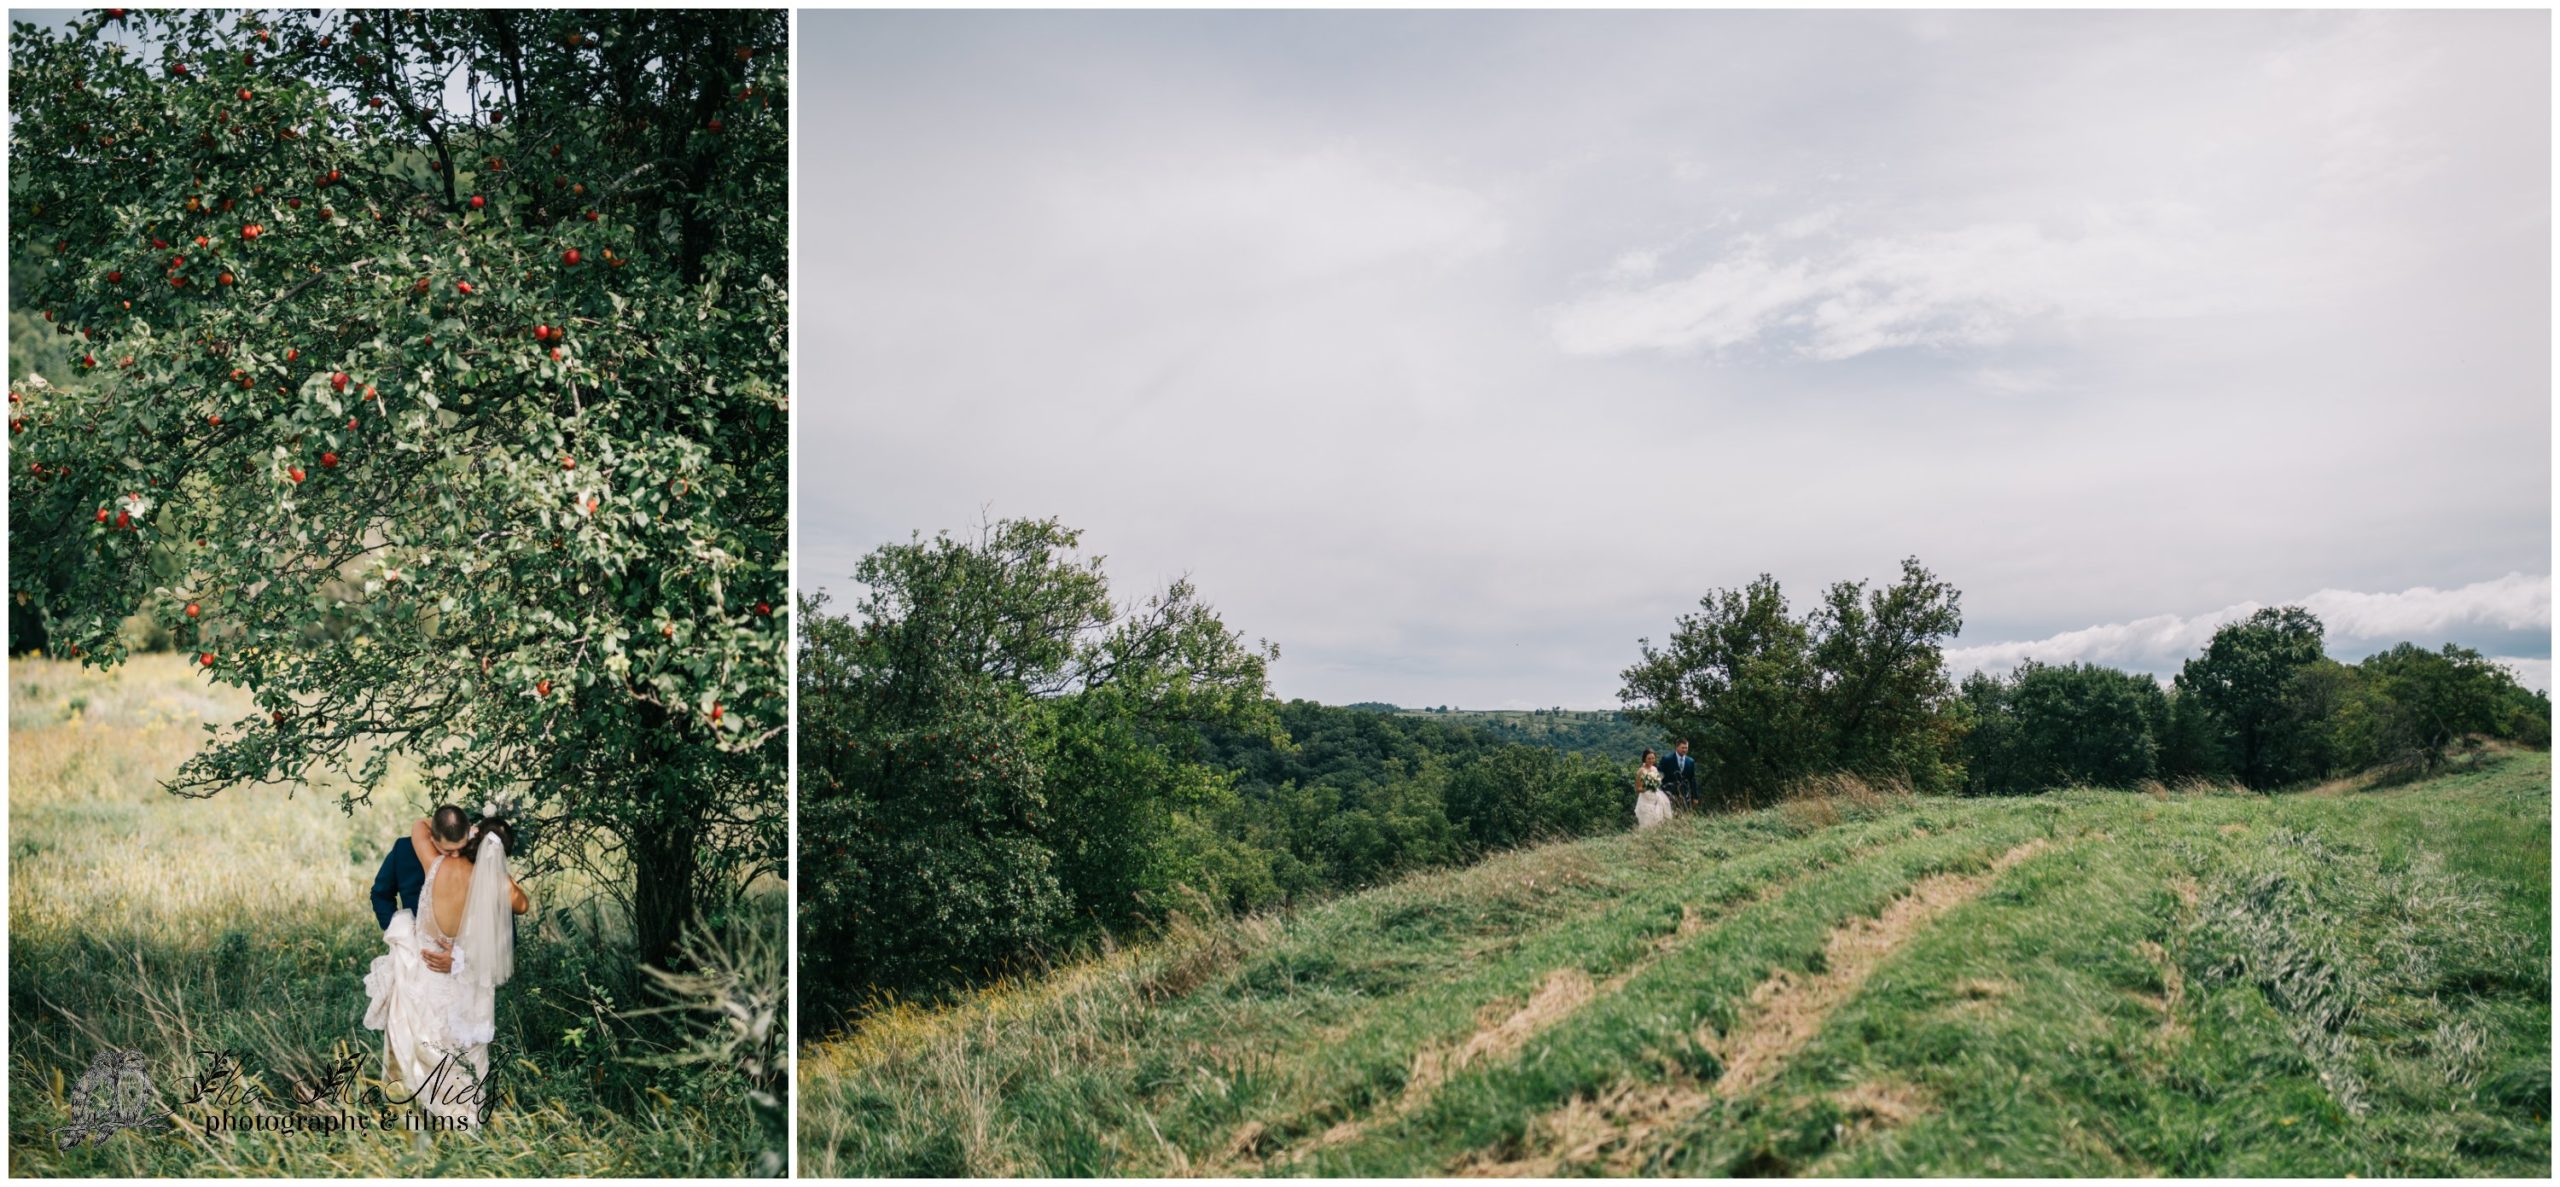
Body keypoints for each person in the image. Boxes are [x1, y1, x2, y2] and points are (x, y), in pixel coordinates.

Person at [363, 804, 531, 1130]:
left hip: (441, 967)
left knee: (431, 1039)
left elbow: (418, 824)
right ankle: (459, 1119)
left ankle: (431, 1115)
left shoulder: (433, 861)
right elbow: (521, 905)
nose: (452, 855)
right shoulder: (486, 878)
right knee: (455, 1043)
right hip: (444, 968)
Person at [1634, 749, 1674, 830]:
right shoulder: (1641, 771)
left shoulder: (1655, 769)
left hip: (1656, 797)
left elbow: (1658, 782)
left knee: (1658, 820)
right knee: (1646, 823)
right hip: (1645, 800)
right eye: (1649, 758)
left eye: (1653, 758)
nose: (1651, 760)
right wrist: (1647, 787)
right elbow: (1637, 789)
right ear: (1644, 758)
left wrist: (1655, 784)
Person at [1662, 738, 1701, 812]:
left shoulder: (1690, 761)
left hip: (1684, 794)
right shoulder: (1667, 759)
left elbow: (1692, 779)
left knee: (1684, 814)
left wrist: (1695, 797)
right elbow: (1660, 775)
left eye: (1686, 748)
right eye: (1682, 748)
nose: (1684, 750)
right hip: (1668, 793)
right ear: (1677, 747)